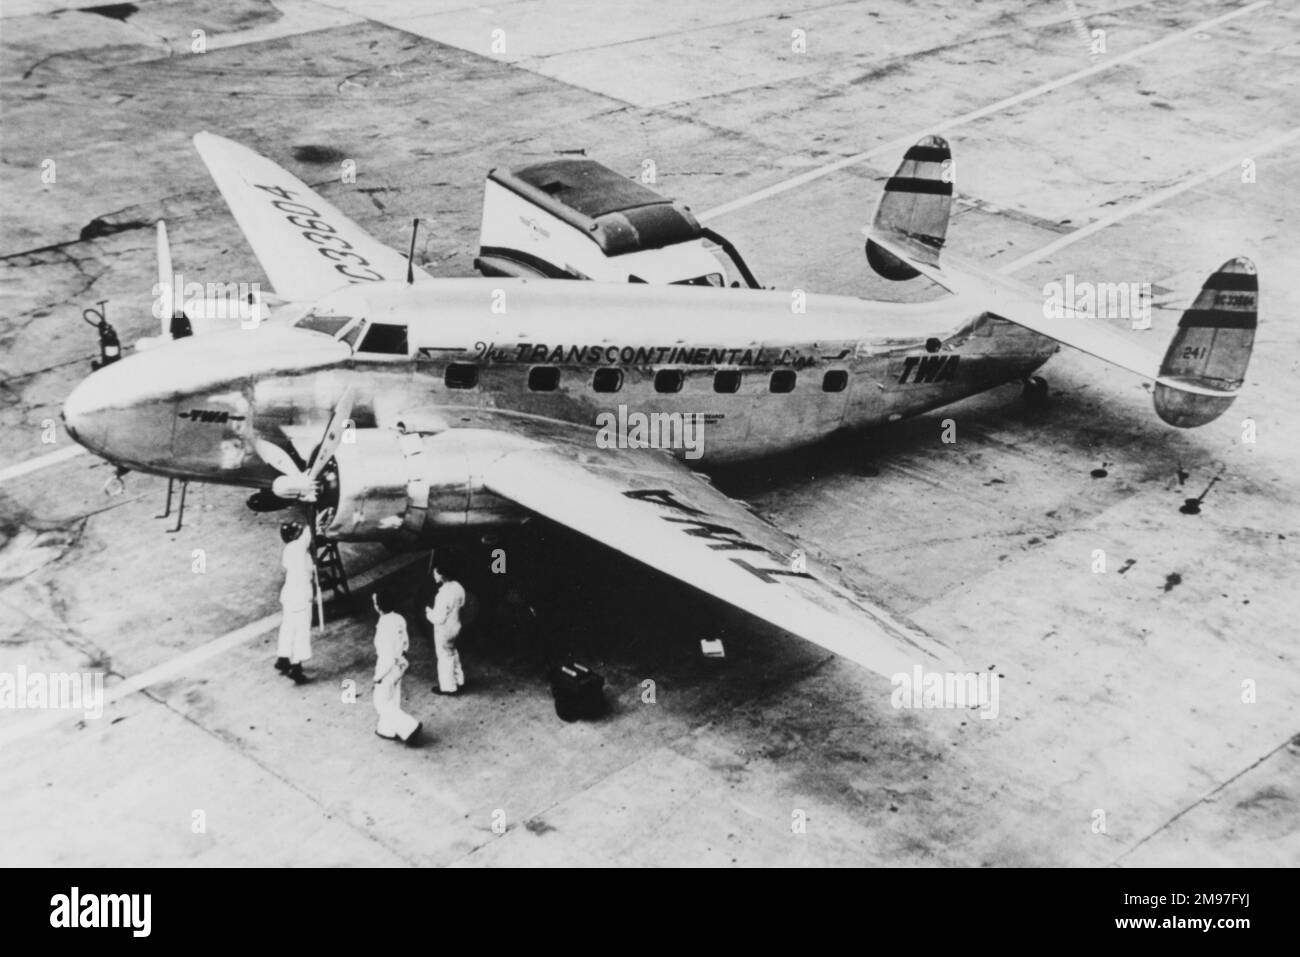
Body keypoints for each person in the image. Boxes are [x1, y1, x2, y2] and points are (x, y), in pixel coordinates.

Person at [372, 589, 421, 745]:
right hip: (400, 663)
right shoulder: (399, 618)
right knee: (393, 697)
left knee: (380, 701)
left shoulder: (383, 625)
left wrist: (378, 677)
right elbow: (405, 640)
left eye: (374, 602)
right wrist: (404, 655)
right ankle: (387, 729)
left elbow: (386, 655)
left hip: (388, 667)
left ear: (378, 606)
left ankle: (410, 726)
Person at [275, 521, 314, 684]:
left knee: (288, 627)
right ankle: (296, 667)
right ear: (292, 536)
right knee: (301, 630)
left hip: (290, 593)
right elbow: (308, 533)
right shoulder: (298, 547)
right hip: (301, 594)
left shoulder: (289, 550)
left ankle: (283, 658)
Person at [426, 560, 466, 694]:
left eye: (435, 573)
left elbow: (439, 618)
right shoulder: (458, 587)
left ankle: (449, 687)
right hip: (456, 626)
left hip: (444, 630)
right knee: (453, 653)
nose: (434, 576)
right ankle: (460, 680)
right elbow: (463, 602)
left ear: (442, 576)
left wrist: (428, 613)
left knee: (444, 658)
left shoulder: (442, 595)